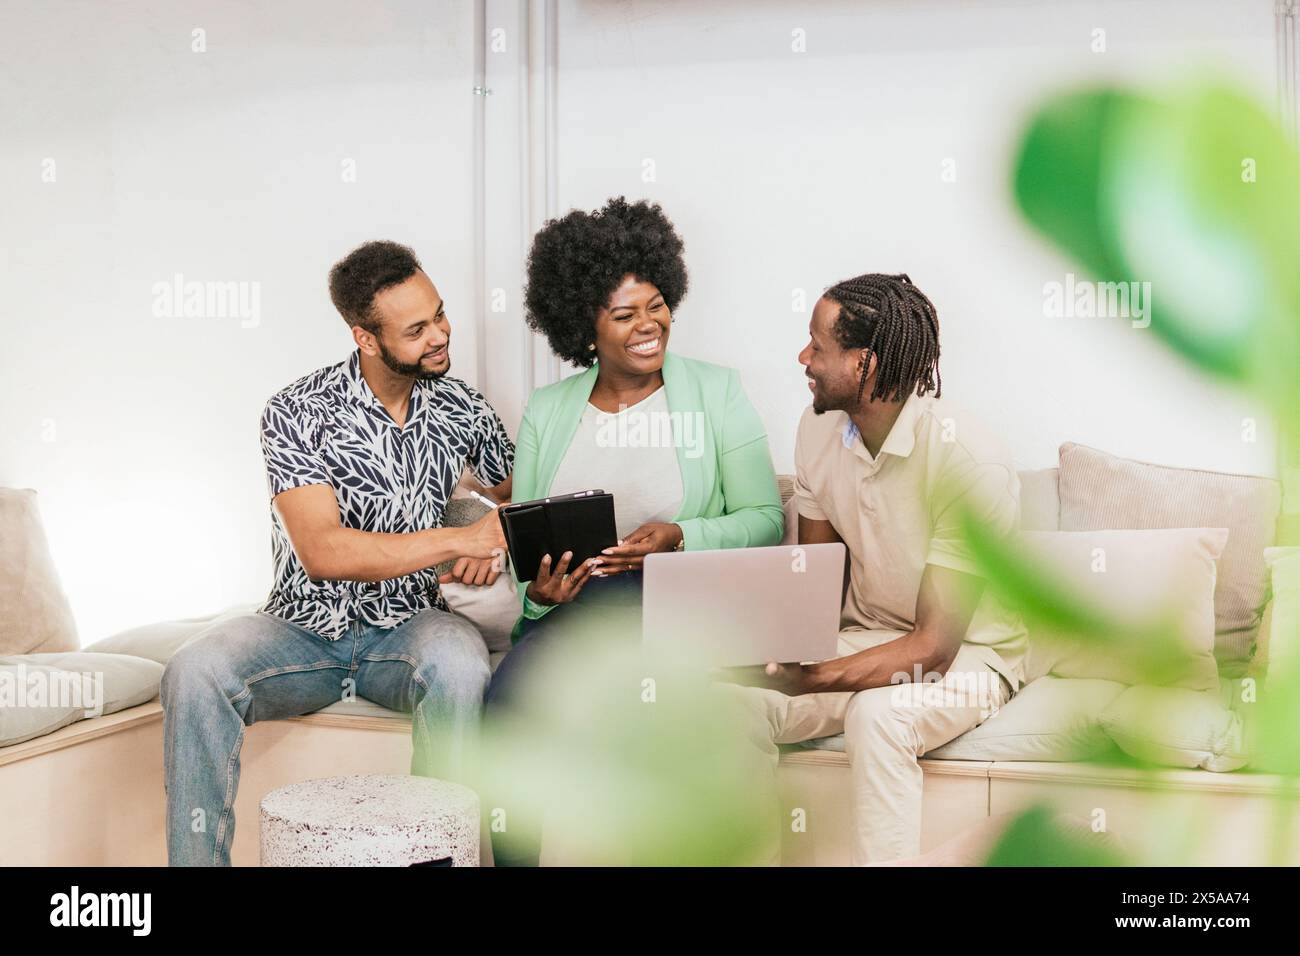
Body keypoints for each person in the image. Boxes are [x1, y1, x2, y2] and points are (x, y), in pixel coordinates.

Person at [160, 240, 513, 866]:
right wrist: (459, 538)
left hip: (411, 627)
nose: (440, 334)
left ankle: (436, 860)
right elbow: (323, 551)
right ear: (366, 338)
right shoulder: (296, 411)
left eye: (439, 314)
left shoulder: (464, 407)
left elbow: (517, 498)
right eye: (417, 328)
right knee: (194, 669)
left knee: (462, 667)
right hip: (300, 630)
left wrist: (495, 537)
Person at [483, 196, 784, 866]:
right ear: (585, 328)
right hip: (580, 609)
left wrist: (681, 535)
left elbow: (765, 520)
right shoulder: (548, 409)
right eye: (625, 315)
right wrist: (542, 594)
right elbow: (523, 542)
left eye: (655, 305)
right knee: (505, 703)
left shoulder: (716, 393)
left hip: (677, 605)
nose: (649, 325)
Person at [724, 272, 1028, 865]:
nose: (803, 357)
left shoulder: (967, 459)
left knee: (880, 714)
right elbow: (811, 585)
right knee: (729, 705)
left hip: (973, 654)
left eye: (818, 346)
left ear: (865, 363)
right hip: (867, 636)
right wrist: (760, 652)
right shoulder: (816, 429)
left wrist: (810, 679)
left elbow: (935, 645)